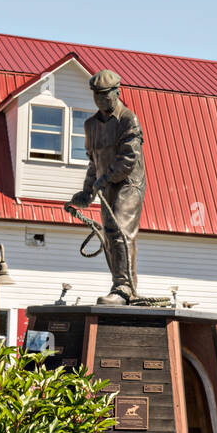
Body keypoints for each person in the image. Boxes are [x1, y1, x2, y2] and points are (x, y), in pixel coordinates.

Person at [67, 69, 145, 304]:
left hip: (128, 183)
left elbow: (128, 159)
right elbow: (94, 162)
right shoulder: (91, 125)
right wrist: (87, 190)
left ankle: (124, 288)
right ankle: (119, 284)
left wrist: (104, 180)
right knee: (109, 235)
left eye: (105, 95)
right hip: (106, 185)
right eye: (96, 95)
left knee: (120, 230)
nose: (101, 100)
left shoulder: (127, 119)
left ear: (117, 92)